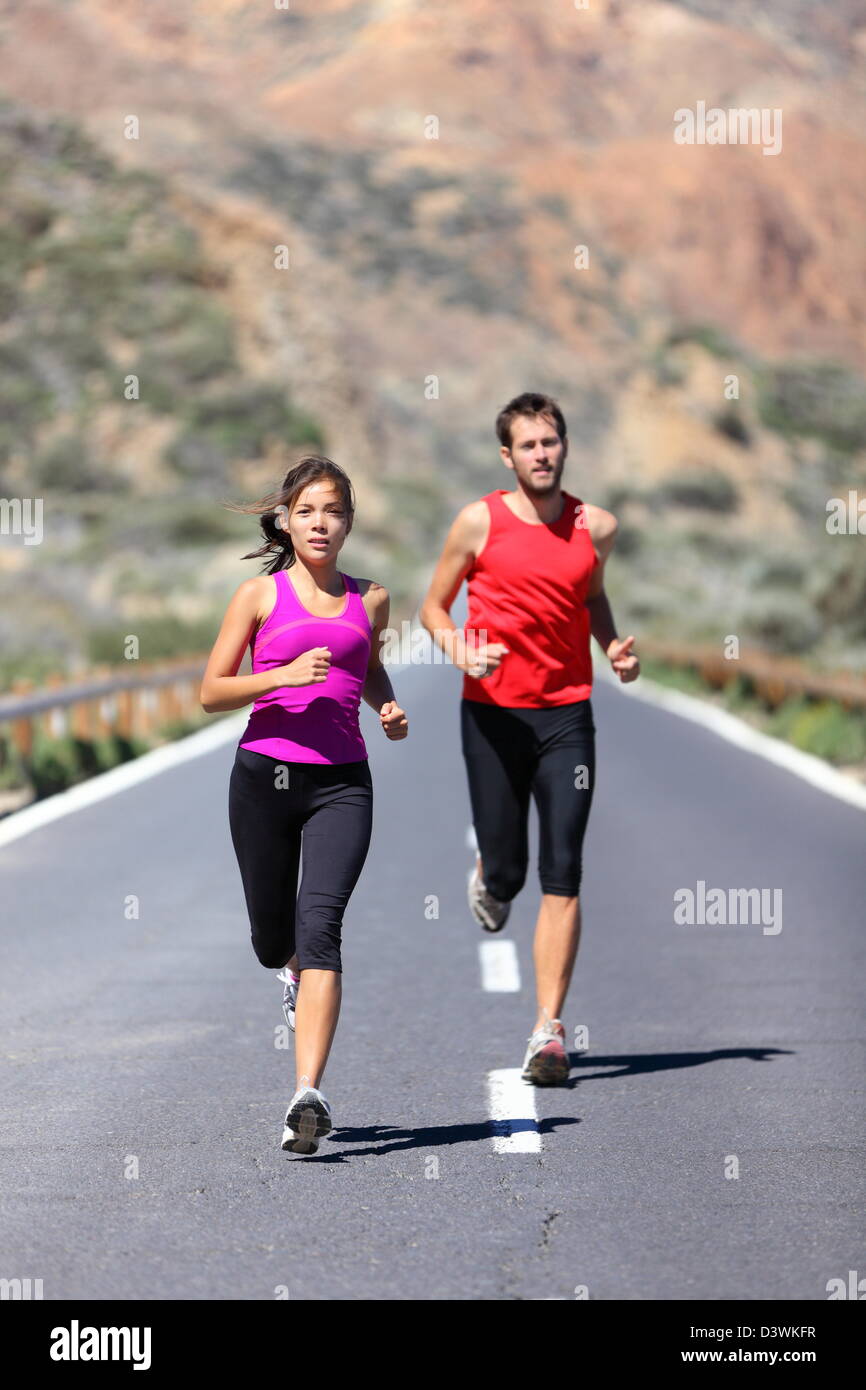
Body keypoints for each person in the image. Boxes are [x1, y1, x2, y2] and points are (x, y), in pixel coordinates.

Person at [420, 393, 639, 1084]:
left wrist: (613, 648)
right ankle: (490, 875)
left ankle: (548, 1031)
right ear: (507, 455)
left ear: (565, 447)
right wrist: (458, 649)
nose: (542, 454)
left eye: (552, 442)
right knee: (510, 869)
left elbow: (592, 594)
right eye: (529, 444)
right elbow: (431, 606)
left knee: (564, 868)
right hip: (492, 715)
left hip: (568, 714)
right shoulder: (477, 522)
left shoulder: (596, 526)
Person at [200, 455, 408, 1153]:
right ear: (285, 521)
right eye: (309, 511)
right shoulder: (257, 598)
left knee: (321, 927)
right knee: (272, 940)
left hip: (342, 783)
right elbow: (211, 690)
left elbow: (367, 664)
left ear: (350, 521)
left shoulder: (371, 598)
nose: (322, 523)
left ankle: (306, 1095)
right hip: (264, 778)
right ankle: (286, 971)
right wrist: (280, 675)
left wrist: (388, 704)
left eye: (336, 511)